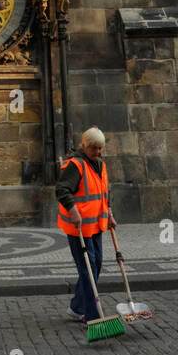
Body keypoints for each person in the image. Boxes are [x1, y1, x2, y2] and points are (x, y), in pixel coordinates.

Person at [56, 127, 116, 325]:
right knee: (87, 268)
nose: (98, 152)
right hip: (79, 228)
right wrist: (73, 210)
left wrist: (110, 214)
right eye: (93, 148)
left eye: (100, 148)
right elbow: (62, 190)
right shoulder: (76, 165)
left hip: (96, 225)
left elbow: (103, 195)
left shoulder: (101, 165)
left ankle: (76, 307)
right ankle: (92, 315)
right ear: (84, 145)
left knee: (96, 265)